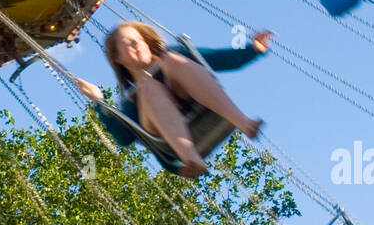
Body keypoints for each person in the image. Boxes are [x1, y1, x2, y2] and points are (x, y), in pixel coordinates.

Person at [74, 22, 270, 178]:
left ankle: (243, 122)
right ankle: (190, 157)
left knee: (172, 60)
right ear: (118, 58)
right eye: (129, 43)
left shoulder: (176, 55)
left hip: (209, 111)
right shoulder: (130, 100)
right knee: (148, 85)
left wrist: (253, 49)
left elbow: (219, 59)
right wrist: (98, 102)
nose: (137, 45)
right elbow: (124, 138)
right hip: (173, 145)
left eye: (139, 40)